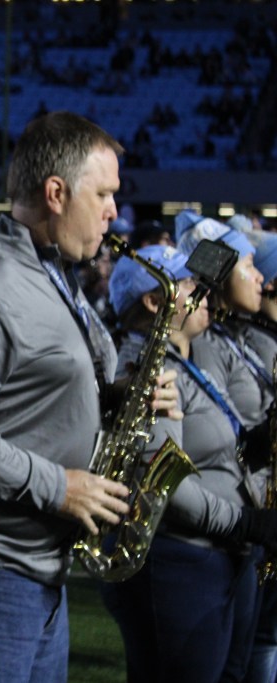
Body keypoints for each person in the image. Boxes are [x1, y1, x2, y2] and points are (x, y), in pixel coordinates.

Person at [0, 111, 177, 683]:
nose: (115, 211)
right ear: (56, 193)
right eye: (105, 194)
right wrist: (58, 487)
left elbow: (30, 388)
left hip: (26, 561)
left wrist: (117, 399)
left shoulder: (53, 273)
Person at [100, 243, 277, 683]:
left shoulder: (191, 359)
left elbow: (213, 446)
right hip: (179, 561)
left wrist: (256, 444)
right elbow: (164, 486)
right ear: (154, 302)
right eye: (186, 282)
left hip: (215, 556)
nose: (201, 289)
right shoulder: (147, 367)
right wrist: (245, 524)